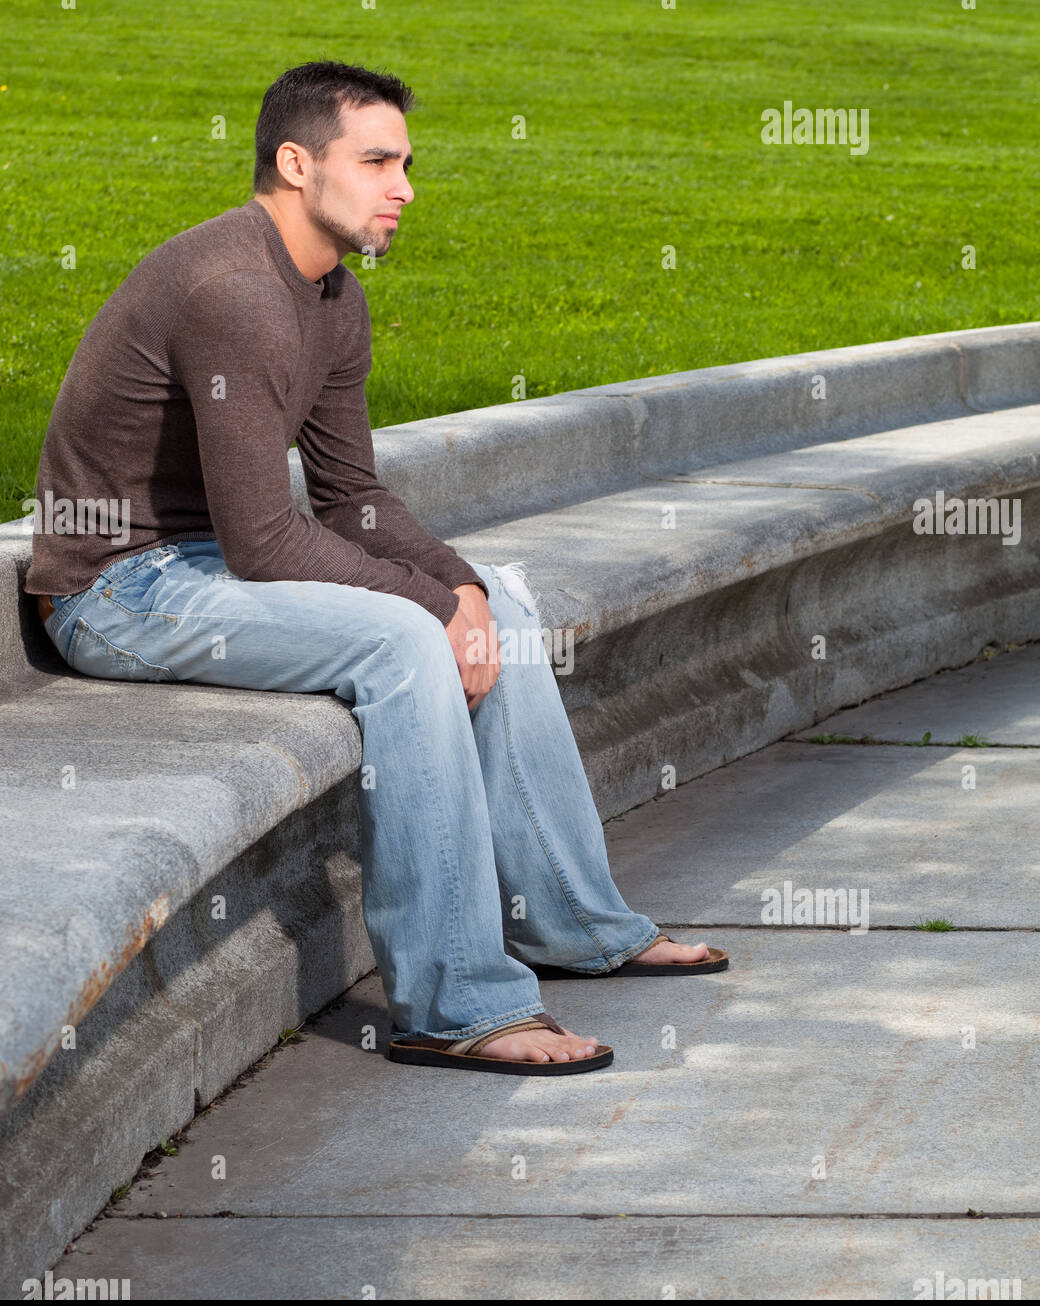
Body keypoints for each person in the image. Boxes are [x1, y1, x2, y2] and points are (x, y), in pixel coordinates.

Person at [24, 60, 727, 1076]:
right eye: (378, 161)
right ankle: (453, 1004)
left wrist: (464, 585)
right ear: (296, 163)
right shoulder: (233, 290)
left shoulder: (329, 293)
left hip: (206, 558)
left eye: (407, 162)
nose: (404, 186)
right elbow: (269, 542)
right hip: (117, 588)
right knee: (407, 640)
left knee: (505, 601)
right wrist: (428, 605)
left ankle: (573, 923)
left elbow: (351, 495)